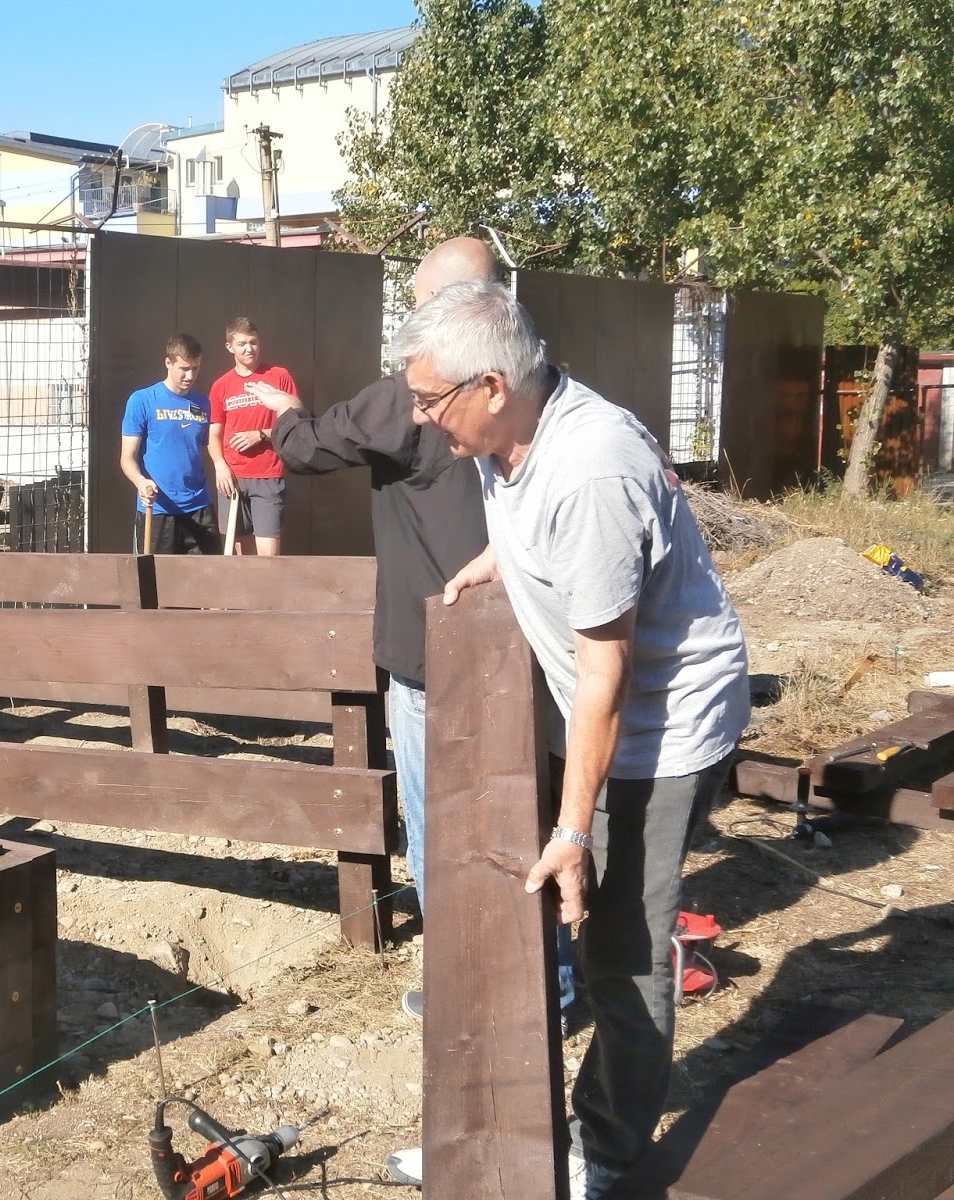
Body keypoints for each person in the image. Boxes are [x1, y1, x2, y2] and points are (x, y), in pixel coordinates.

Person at [404, 280, 750, 1198]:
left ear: (492, 386)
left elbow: (608, 678)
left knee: (623, 946)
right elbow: (536, 524)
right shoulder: (504, 436)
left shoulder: (592, 469)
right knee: (588, 921)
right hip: (606, 708)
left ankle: (607, 1152)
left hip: (663, 727)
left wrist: (570, 829)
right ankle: (531, 1134)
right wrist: (501, 560)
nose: (419, 415)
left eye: (430, 398)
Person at [246, 239, 502, 1001]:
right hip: (518, 637)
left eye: (418, 306)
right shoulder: (524, 385)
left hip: (430, 644)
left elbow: (312, 447)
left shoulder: (410, 395)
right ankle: (541, 974)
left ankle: (463, 982)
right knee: (518, 803)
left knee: (434, 813)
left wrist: (285, 413)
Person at [120, 333, 220, 554]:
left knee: (209, 573)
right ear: (168, 363)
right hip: (158, 509)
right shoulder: (142, 400)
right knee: (156, 574)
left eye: (195, 368)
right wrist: (140, 482)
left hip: (199, 508)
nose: (190, 375)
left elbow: (209, 444)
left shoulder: (202, 403)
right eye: (184, 368)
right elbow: (127, 457)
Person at [207, 317, 297, 555]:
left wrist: (261, 435)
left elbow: (296, 424)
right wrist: (219, 466)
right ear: (230, 347)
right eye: (242, 343)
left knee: (267, 558)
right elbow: (214, 434)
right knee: (240, 559)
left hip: (267, 476)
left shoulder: (278, 376)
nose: (249, 348)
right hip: (232, 479)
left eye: (253, 342)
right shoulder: (221, 385)